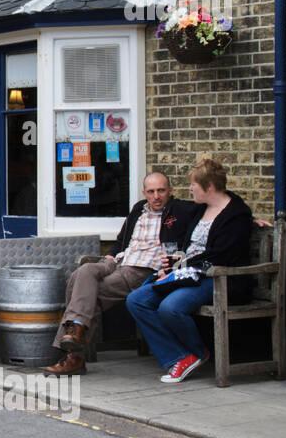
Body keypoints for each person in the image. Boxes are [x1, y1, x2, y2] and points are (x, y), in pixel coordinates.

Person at [45, 172, 196, 376]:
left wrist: (249, 219)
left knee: (87, 293)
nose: (156, 196)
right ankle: (76, 332)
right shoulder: (138, 210)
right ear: (144, 193)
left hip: (142, 270)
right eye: (151, 192)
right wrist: (109, 257)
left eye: (161, 190)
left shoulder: (181, 210)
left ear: (170, 191)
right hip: (119, 261)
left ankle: (73, 353)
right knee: (84, 271)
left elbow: (217, 202)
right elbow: (121, 242)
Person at [125, 158, 254, 384]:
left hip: (218, 278)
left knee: (170, 307)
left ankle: (194, 353)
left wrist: (180, 268)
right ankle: (181, 355)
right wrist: (175, 264)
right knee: (136, 299)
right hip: (187, 275)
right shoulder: (199, 209)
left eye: (194, 184)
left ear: (209, 186)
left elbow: (221, 256)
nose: (190, 188)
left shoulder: (236, 215)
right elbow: (187, 245)